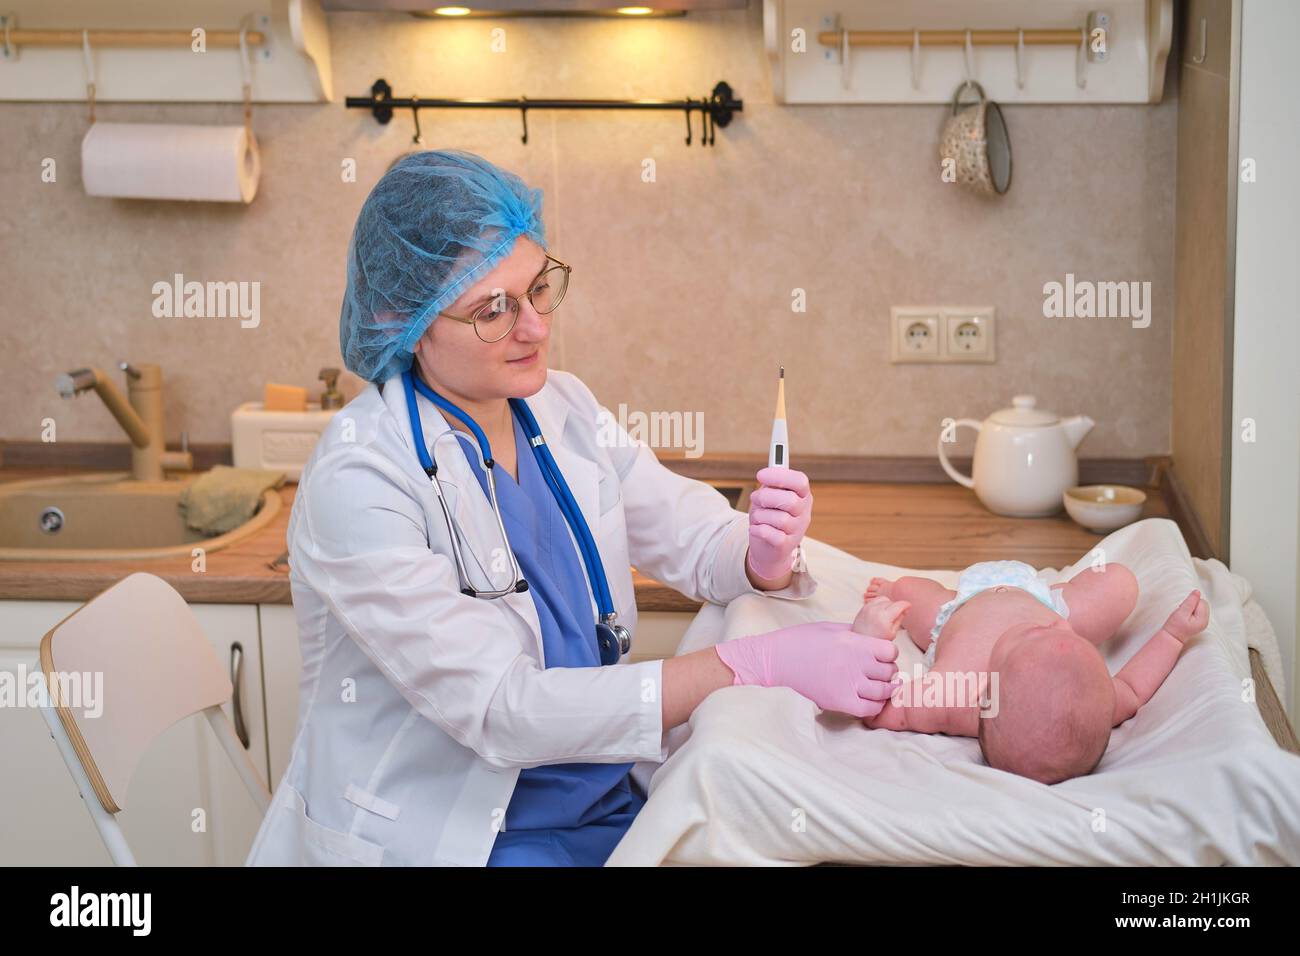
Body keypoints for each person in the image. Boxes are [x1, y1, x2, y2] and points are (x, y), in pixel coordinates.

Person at [245, 149, 900, 867]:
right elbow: (503, 710)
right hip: (467, 837)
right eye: (494, 309)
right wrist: (753, 664)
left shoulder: (560, 405)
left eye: (537, 289)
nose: (534, 329)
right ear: (406, 318)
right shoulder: (362, 475)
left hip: (607, 796)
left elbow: (688, 531)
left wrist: (758, 554)